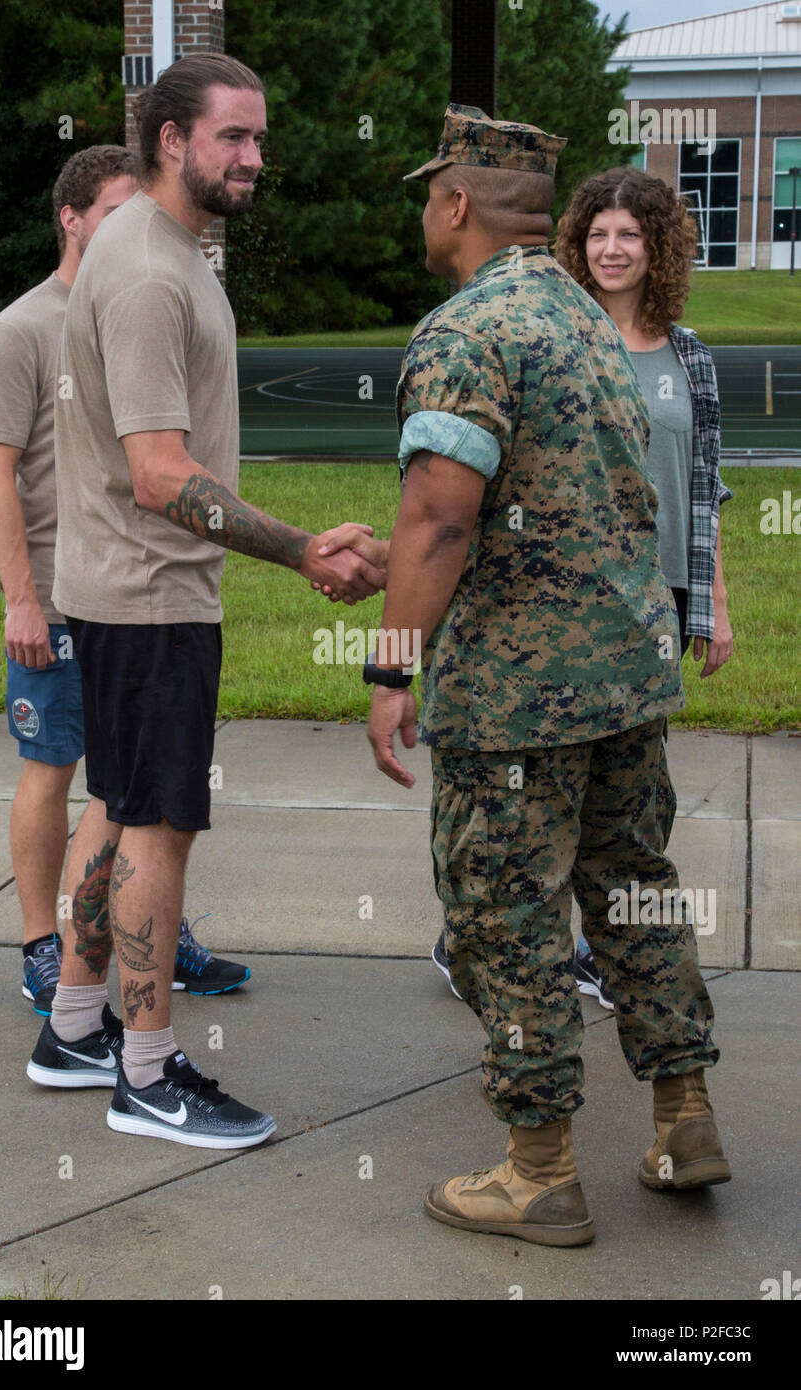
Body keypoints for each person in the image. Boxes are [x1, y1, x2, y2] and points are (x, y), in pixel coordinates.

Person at [351, 104, 730, 1243]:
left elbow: (437, 520)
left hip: (519, 699)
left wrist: (389, 665)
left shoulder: (470, 331)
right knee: (637, 893)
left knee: (507, 921)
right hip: (625, 678)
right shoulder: (585, 319)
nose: (426, 211)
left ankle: (539, 1169)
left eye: (430, 193)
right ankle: (683, 1115)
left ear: (455, 203)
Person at [28, 54, 385, 1152]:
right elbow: (159, 474)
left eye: (260, 138)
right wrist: (299, 551)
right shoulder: (144, 269)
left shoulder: (163, 250)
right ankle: (146, 1073)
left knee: (126, 815)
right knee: (159, 833)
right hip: (147, 600)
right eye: (233, 137)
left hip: (136, 593)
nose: (256, 159)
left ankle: (73, 1030)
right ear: (170, 139)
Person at [0, 146, 250, 1020]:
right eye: (119, 208)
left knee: (126, 792)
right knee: (56, 768)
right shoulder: (23, 328)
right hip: (64, 594)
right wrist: (23, 597)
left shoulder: (149, 292)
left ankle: (141, 946)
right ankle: (42, 948)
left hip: (127, 593)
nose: (136, 224)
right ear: (73, 218)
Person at [554, 166, 734, 1012]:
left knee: (636, 785)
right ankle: (496, 936)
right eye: (599, 234)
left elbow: (705, 485)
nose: (613, 248)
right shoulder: (562, 340)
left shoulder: (690, 354)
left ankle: (602, 941)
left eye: (630, 234)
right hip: (577, 599)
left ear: (657, 246)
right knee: (555, 777)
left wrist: (713, 604)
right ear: (578, 245)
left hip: (657, 598)